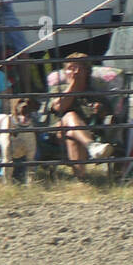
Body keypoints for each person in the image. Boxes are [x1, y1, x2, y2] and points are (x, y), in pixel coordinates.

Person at [42, 51, 116, 179]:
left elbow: (109, 117)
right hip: (57, 134)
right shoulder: (58, 90)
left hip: (84, 133)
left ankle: (81, 179)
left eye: (78, 68)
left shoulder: (95, 94)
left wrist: (101, 111)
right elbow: (59, 107)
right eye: (70, 69)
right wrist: (73, 85)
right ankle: (92, 146)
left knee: (73, 134)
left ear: (87, 71)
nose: (74, 72)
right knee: (70, 115)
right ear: (64, 73)